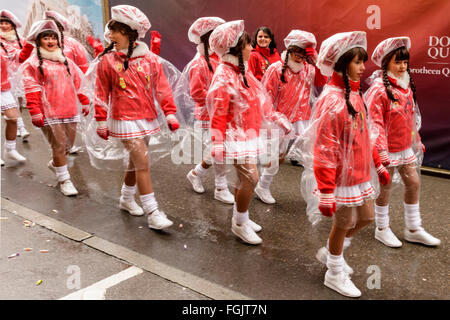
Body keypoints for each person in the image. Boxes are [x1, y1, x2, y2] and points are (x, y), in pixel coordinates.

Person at [305, 31, 390, 297]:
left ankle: (333, 253)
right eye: (357, 62)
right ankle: (334, 270)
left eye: (363, 62)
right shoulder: (332, 101)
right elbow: (325, 148)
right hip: (340, 178)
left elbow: (367, 136)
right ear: (341, 64)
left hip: (359, 174)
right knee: (343, 222)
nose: (363, 67)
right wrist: (327, 190)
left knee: (366, 217)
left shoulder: (354, 94)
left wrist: (378, 164)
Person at [91, 5, 179, 230]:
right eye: (110, 31)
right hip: (123, 118)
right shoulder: (107, 61)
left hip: (146, 117)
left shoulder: (150, 60)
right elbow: (101, 94)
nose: (110, 36)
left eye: (115, 31)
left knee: (135, 161)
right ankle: (153, 212)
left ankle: (126, 198)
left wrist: (169, 113)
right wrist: (101, 120)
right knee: (142, 162)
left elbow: (161, 88)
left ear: (129, 33)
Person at [207, 20, 292, 245]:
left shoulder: (242, 71)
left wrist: (275, 118)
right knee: (251, 178)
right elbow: (218, 112)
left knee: (245, 179)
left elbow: (261, 100)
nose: (251, 48)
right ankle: (238, 223)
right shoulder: (225, 75)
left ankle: (241, 217)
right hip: (235, 138)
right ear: (235, 48)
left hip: (248, 134)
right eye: (247, 45)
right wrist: (217, 142)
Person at [365, 37, 440, 247]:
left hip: (404, 148)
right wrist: (381, 151)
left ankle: (413, 227)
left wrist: (416, 139)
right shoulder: (379, 91)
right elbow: (375, 124)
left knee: (413, 183)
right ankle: (382, 227)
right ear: (386, 62)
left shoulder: (406, 86)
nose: (402, 66)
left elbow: (411, 117)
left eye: (405, 62)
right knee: (385, 188)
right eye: (397, 62)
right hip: (386, 149)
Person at [254, 29, 328, 204]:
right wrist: (276, 119)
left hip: (301, 120)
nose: (301, 57)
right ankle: (262, 185)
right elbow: (264, 98)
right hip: (279, 120)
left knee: (310, 156)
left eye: (305, 54)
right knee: (276, 157)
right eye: (297, 52)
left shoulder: (309, 69)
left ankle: (320, 192)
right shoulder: (275, 69)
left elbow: (321, 81)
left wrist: (316, 59)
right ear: (290, 50)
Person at [21, 20, 90, 196]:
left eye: (53, 37)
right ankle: (65, 180)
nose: (51, 41)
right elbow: (31, 88)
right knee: (58, 146)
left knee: (68, 146)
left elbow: (77, 82)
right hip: (49, 112)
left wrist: (84, 100)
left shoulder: (64, 60)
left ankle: (56, 164)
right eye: (46, 38)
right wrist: (35, 111)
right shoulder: (33, 64)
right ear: (39, 41)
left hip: (69, 110)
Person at [184, 16, 235, 204]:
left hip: (222, 113)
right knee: (219, 150)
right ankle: (220, 187)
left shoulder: (221, 58)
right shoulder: (199, 63)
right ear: (208, 38)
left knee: (220, 150)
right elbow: (197, 94)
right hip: (208, 115)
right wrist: (221, 99)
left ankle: (196, 173)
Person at [1, 36, 34, 166]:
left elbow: (20, 56)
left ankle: (10, 149)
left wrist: (30, 42)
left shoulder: (3, 45)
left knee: (13, 118)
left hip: (3, 87)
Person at [0, 10, 30, 141]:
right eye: (1, 23)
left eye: (7, 23)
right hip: (5, 76)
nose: (4, 26)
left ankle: (17, 125)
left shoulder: (21, 40)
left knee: (18, 101)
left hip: (19, 74)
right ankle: (21, 126)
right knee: (11, 103)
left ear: (12, 25)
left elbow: (24, 57)